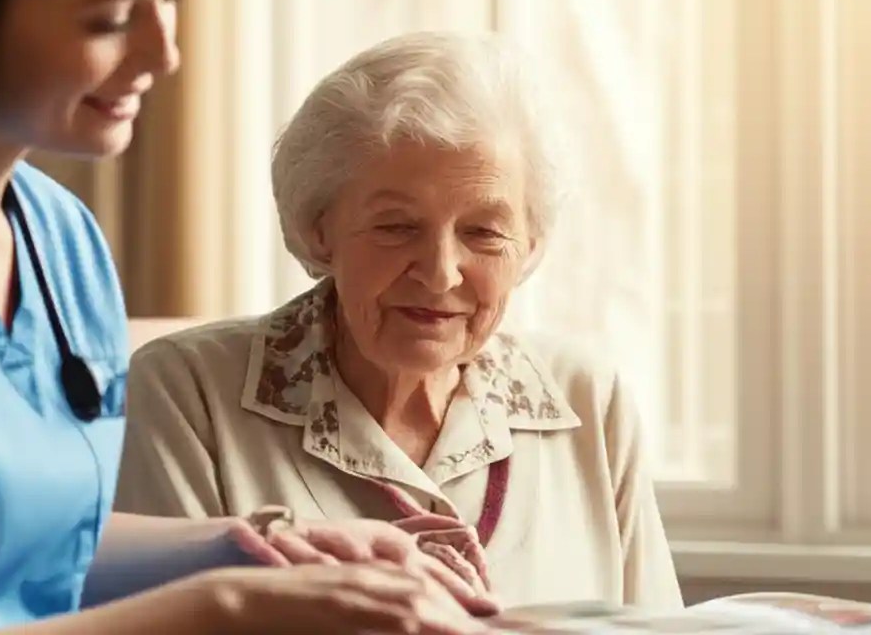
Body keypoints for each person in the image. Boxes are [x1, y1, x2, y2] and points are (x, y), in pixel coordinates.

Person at [0, 0, 493, 633]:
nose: (164, 54)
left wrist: (271, 548)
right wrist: (227, 603)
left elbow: (30, 545)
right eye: (114, 18)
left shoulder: (60, 237)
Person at [115, 31, 685, 608]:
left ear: (529, 245)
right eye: (396, 227)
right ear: (320, 227)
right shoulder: (187, 393)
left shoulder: (589, 401)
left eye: (483, 231)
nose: (440, 274)